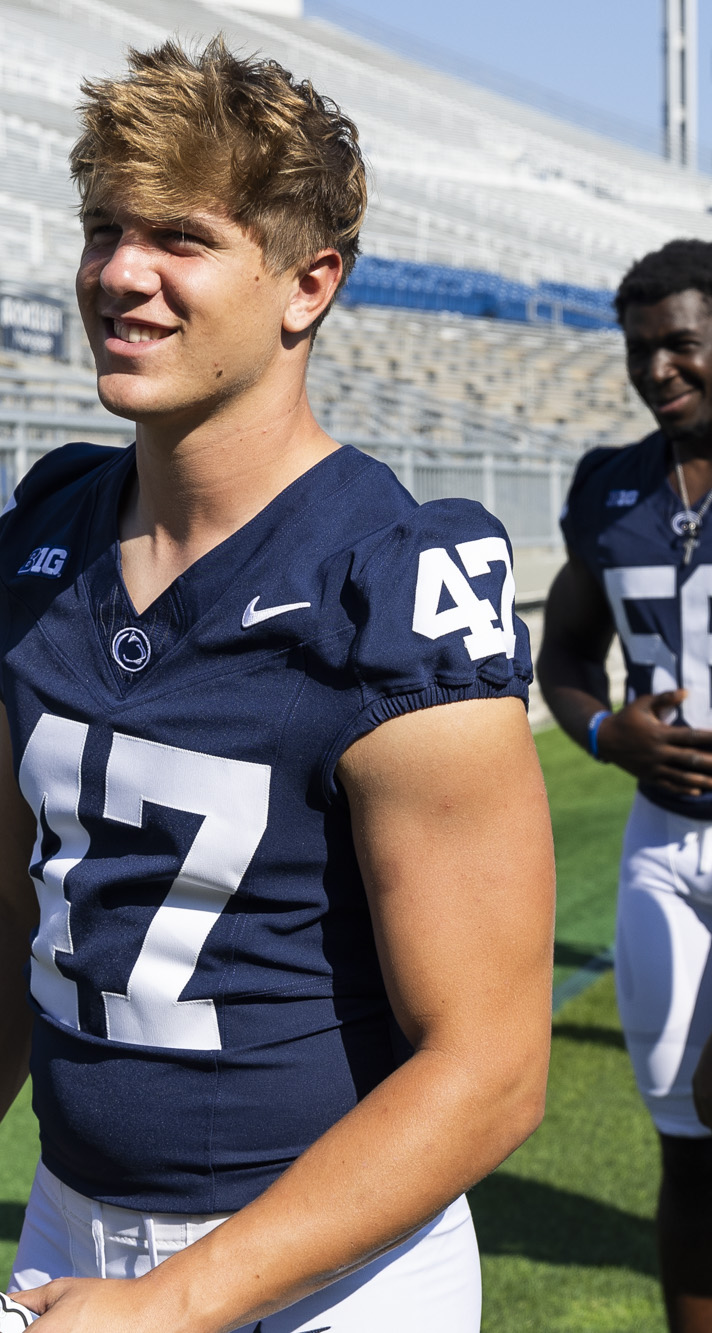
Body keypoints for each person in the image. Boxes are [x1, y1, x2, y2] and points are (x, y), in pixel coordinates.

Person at [0, 39, 555, 1333]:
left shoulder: (387, 581)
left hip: (330, 1274)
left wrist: (173, 1301)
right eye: (103, 228)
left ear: (308, 284)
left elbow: (491, 1067)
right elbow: (11, 897)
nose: (120, 272)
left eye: (180, 237)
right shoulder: (49, 533)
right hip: (67, 1228)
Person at [538, 238, 712, 1333]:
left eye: (680, 343)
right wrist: (607, 732)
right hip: (661, 841)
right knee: (684, 1140)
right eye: (640, 349)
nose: (656, 369)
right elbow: (561, 653)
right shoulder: (612, 488)